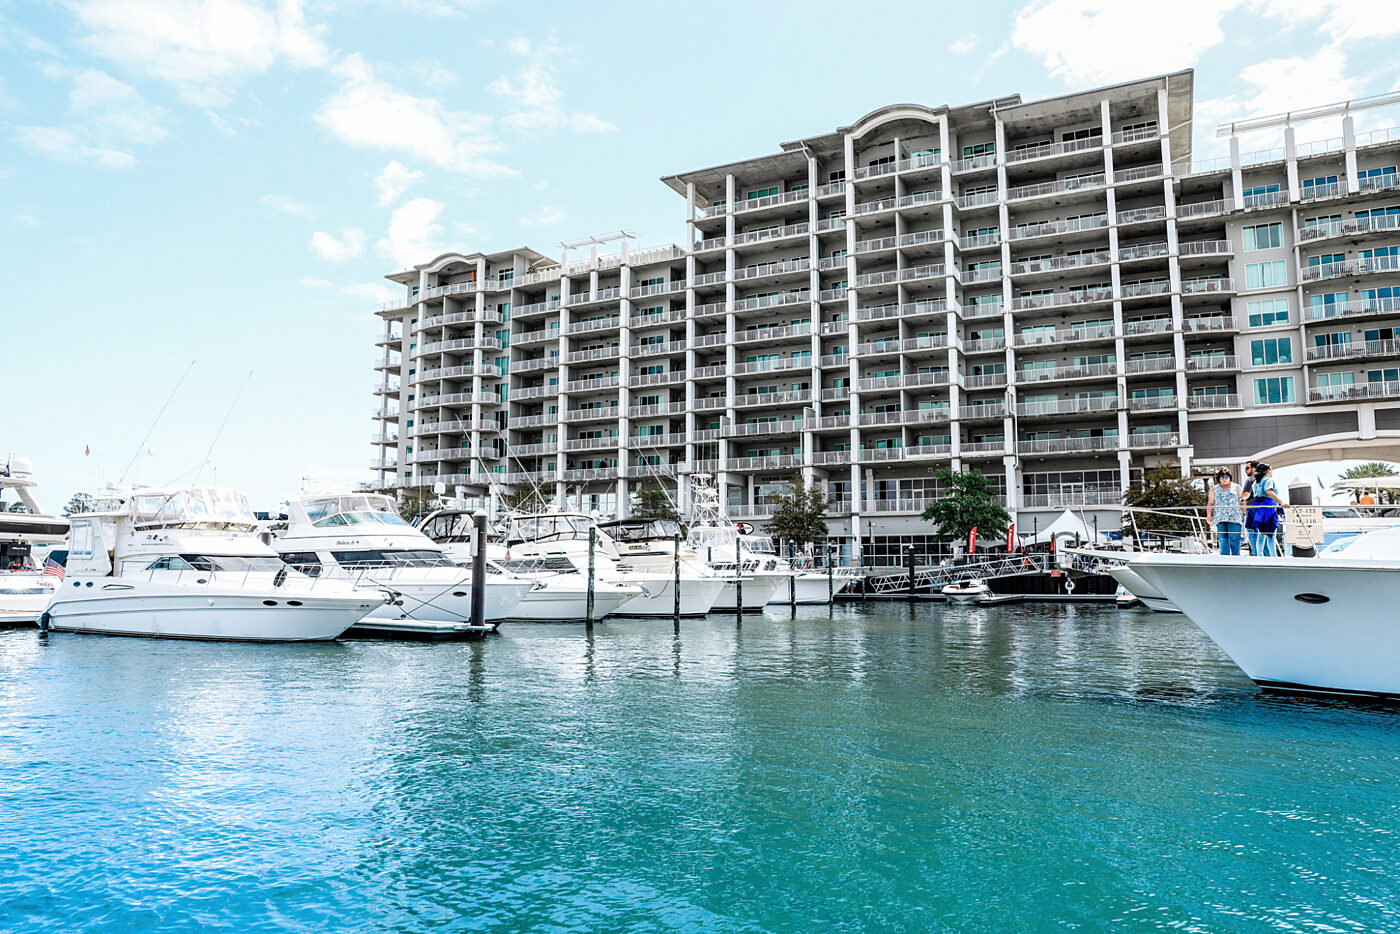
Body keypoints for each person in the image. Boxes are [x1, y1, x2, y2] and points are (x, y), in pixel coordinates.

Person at [1248, 462, 1284, 556]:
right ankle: (1273, 556)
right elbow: (1269, 492)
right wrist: (1282, 502)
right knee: (1271, 533)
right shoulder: (1268, 480)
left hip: (1258, 507)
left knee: (1261, 535)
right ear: (1268, 470)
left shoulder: (1256, 482)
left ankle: (1260, 555)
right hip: (1268, 508)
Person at [1206, 468, 1244, 555]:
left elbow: (1243, 501)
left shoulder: (1237, 487)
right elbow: (1210, 502)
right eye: (1221, 478)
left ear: (1230, 477)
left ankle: (1236, 559)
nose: (1224, 479)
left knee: (1234, 539)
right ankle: (1224, 560)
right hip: (1220, 517)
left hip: (1235, 517)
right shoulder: (1214, 489)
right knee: (1223, 539)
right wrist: (1209, 515)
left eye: (1226, 477)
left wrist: (1244, 514)